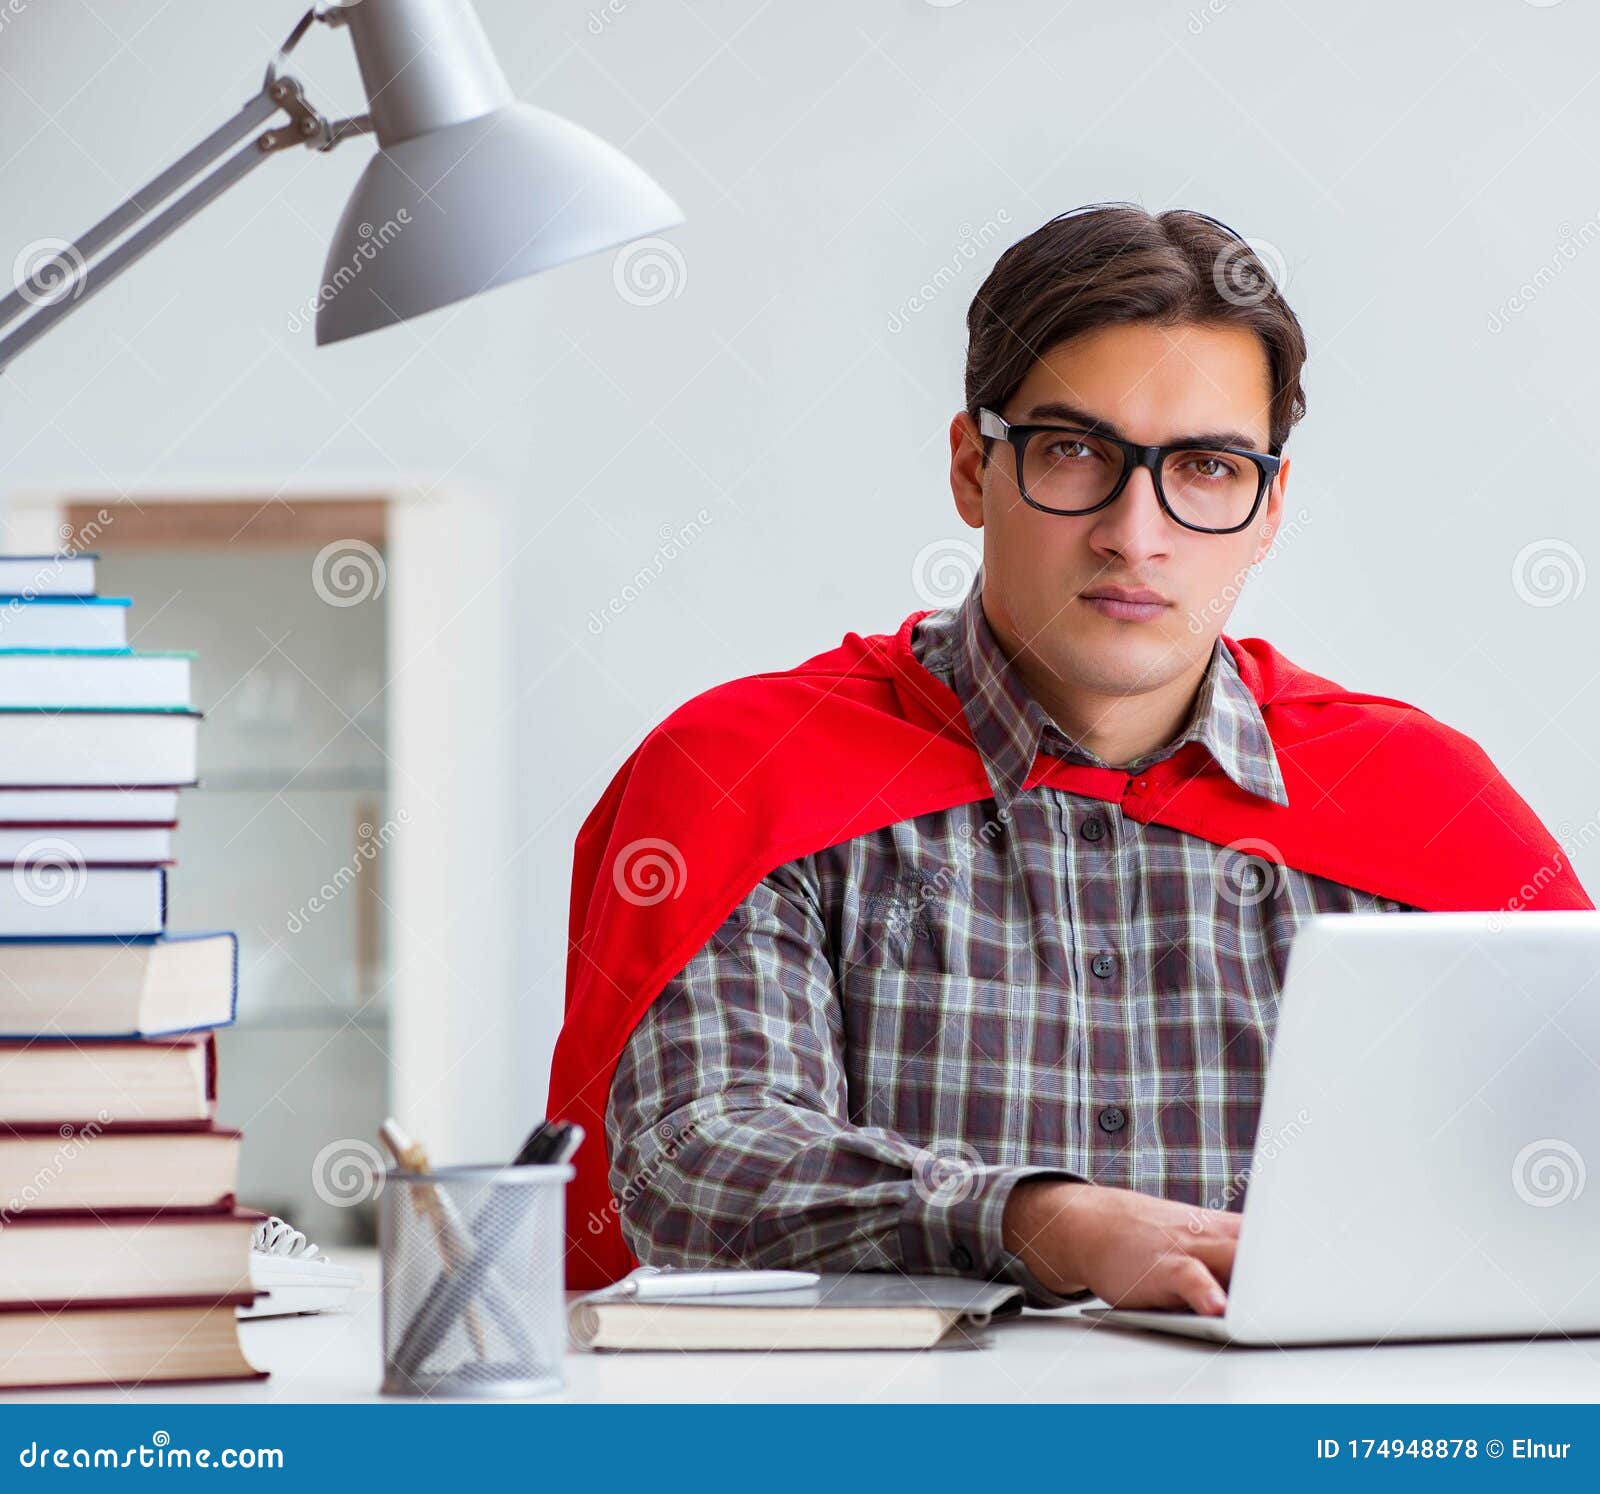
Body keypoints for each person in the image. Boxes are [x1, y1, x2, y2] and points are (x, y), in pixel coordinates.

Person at [548, 202, 1591, 1310]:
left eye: (1203, 468)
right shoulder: (749, 773)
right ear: (970, 467)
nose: (1133, 534)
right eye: (1074, 451)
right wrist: (1042, 1224)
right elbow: (695, 1161)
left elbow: (1565, 1171)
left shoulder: (1424, 806)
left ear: (1269, 505)